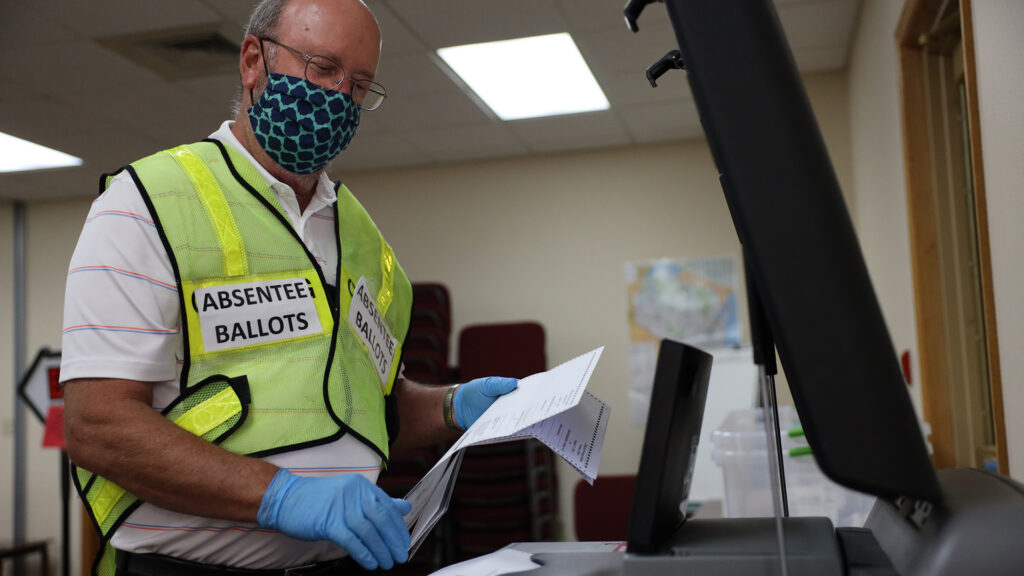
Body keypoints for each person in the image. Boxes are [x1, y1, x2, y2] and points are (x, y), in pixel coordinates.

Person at [59, 0, 518, 574]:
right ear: (253, 61)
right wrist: (280, 495)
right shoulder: (146, 203)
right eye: (323, 68)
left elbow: (368, 405)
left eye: (360, 83)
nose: (338, 97)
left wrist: (453, 405)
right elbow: (97, 426)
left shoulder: (359, 235)